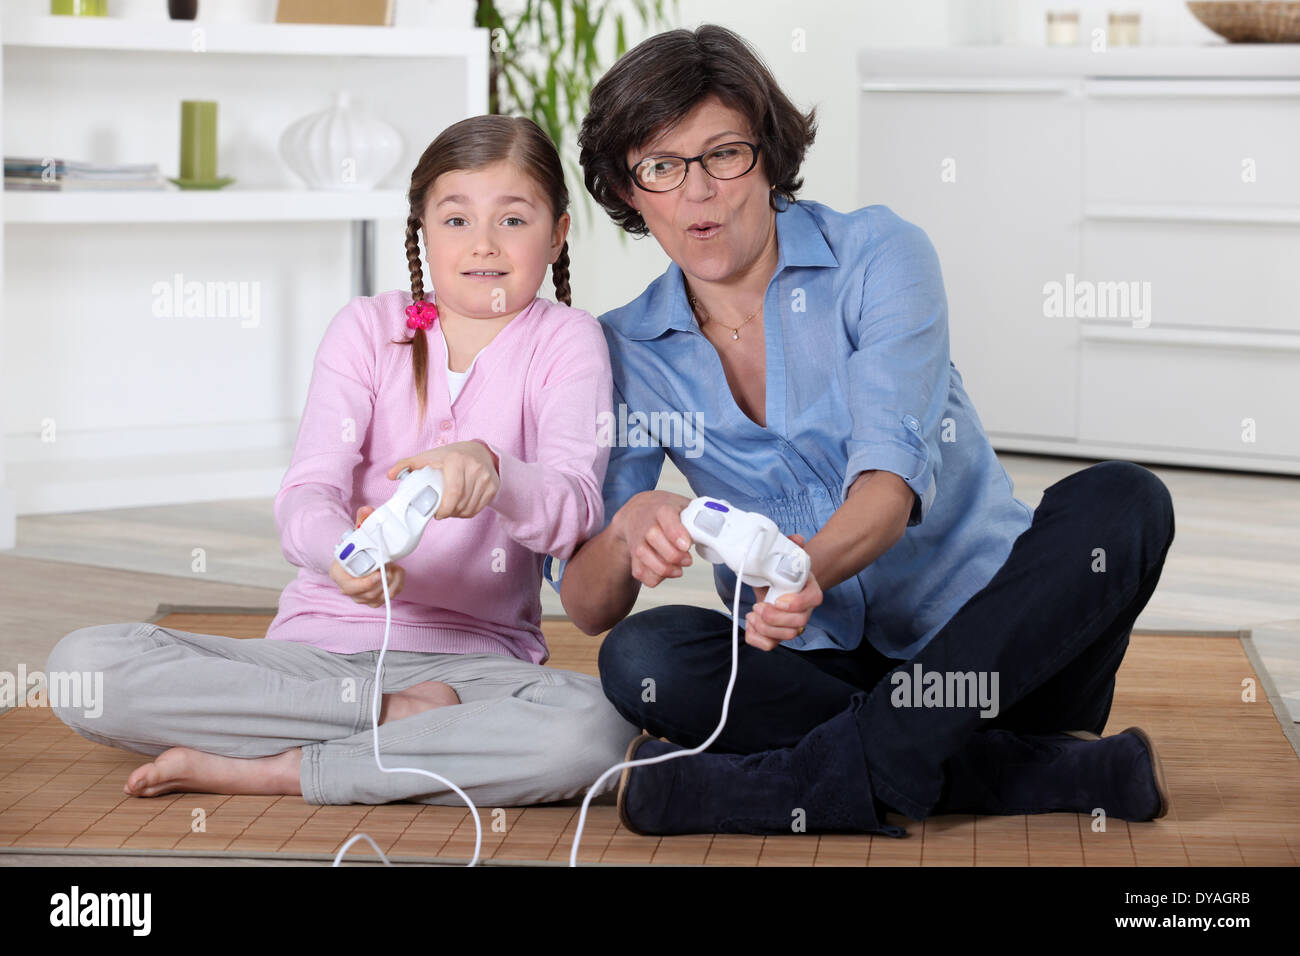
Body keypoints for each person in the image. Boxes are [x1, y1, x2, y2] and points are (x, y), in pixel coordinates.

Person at [549, 25, 1175, 835]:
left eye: (724, 154)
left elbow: (884, 491)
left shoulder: (881, 255)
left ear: (769, 154)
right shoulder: (629, 346)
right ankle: (1010, 765)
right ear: (630, 190)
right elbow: (590, 605)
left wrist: (805, 568)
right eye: (662, 167)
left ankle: (784, 786)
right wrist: (626, 528)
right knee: (642, 660)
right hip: (816, 666)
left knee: (1124, 501)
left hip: (1001, 649)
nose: (697, 192)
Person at [45, 115, 640, 808]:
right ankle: (387, 722)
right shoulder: (368, 328)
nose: (483, 244)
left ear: (558, 233)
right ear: (421, 228)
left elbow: (573, 510)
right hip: (313, 658)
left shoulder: (568, 341)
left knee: (596, 730)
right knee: (82, 668)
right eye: (455, 220)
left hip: (478, 668)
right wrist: (341, 552)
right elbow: (306, 494)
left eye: (513, 220)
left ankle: (285, 768)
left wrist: (496, 473)